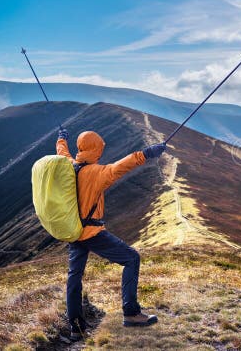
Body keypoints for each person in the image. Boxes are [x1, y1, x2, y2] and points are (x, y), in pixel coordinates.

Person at [56, 127, 167, 341]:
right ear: (96, 149)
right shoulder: (97, 173)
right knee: (131, 258)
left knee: (74, 278)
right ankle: (131, 313)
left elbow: (62, 152)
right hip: (92, 233)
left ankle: (76, 328)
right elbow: (121, 167)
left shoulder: (68, 165)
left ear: (81, 147)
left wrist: (61, 138)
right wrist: (147, 153)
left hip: (73, 232)